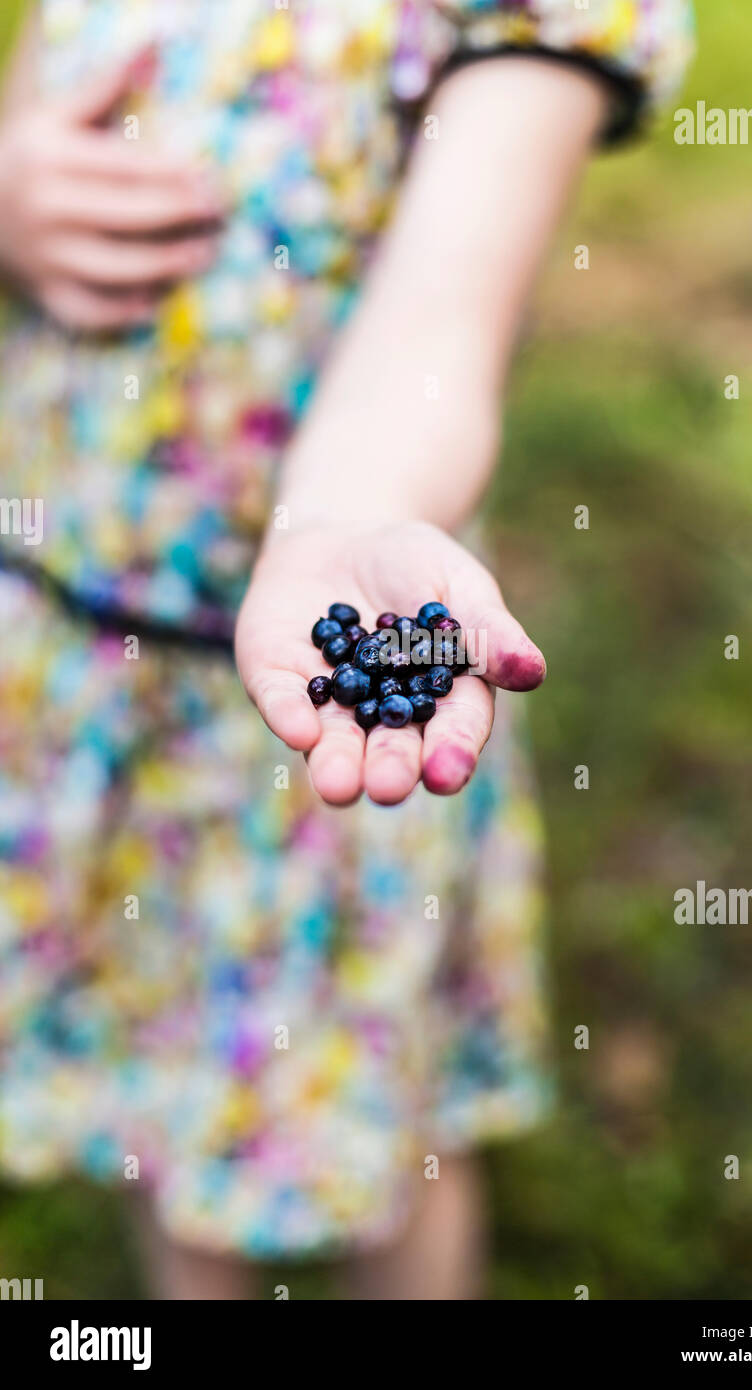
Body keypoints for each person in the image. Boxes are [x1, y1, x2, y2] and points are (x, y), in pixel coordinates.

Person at [0, 1, 693, 1299]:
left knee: (387, 1142)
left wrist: (342, 517)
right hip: (83, 659)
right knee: (169, 1113)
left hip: (285, 715)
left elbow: (440, 326)